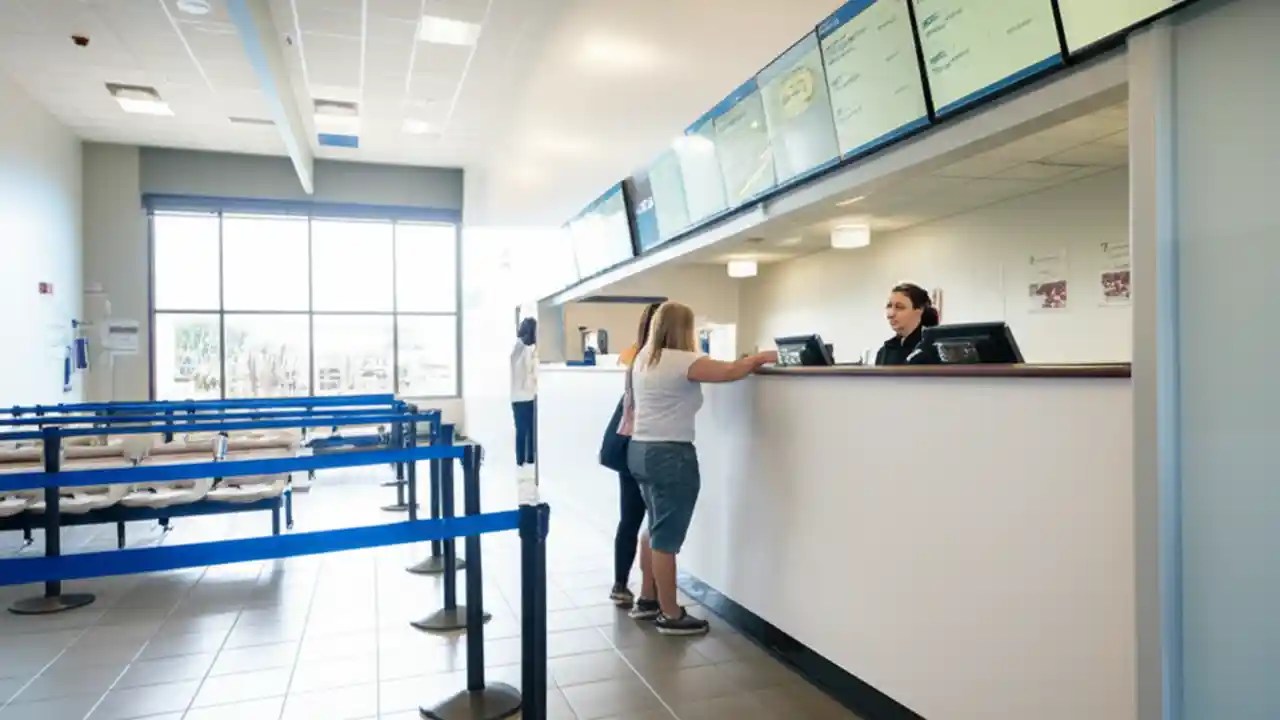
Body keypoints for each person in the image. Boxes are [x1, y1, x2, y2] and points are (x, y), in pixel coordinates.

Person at [626, 302, 777, 635]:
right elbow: (729, 373)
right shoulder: (682, 360)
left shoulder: (642, 359)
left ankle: (647, 599)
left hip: (639, 450)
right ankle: (670, 614)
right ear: (685, 328)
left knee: (653, 525)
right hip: (670, 455)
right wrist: (757, 359)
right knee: (666, 537)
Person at [609, 302, 662, 609]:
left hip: (628, 444)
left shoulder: (635, 354)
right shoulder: (661, 360)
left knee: (630, 518)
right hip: (647, 445)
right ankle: (650, 590)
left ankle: (622, 583)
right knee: (653, 520)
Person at [876, 282, 939, 366]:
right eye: (889, 306)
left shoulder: (931, 350)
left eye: (899, 307)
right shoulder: (885, 351)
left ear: (919, 311)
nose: (890, 314)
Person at [511, 317, 538, 478]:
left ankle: (521, 460)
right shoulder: (525, 350)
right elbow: (528, 373)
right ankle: (528, 459)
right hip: (526, 396)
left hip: (516, 396)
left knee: (521, 430)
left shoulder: (515, 347)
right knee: (529, 430)